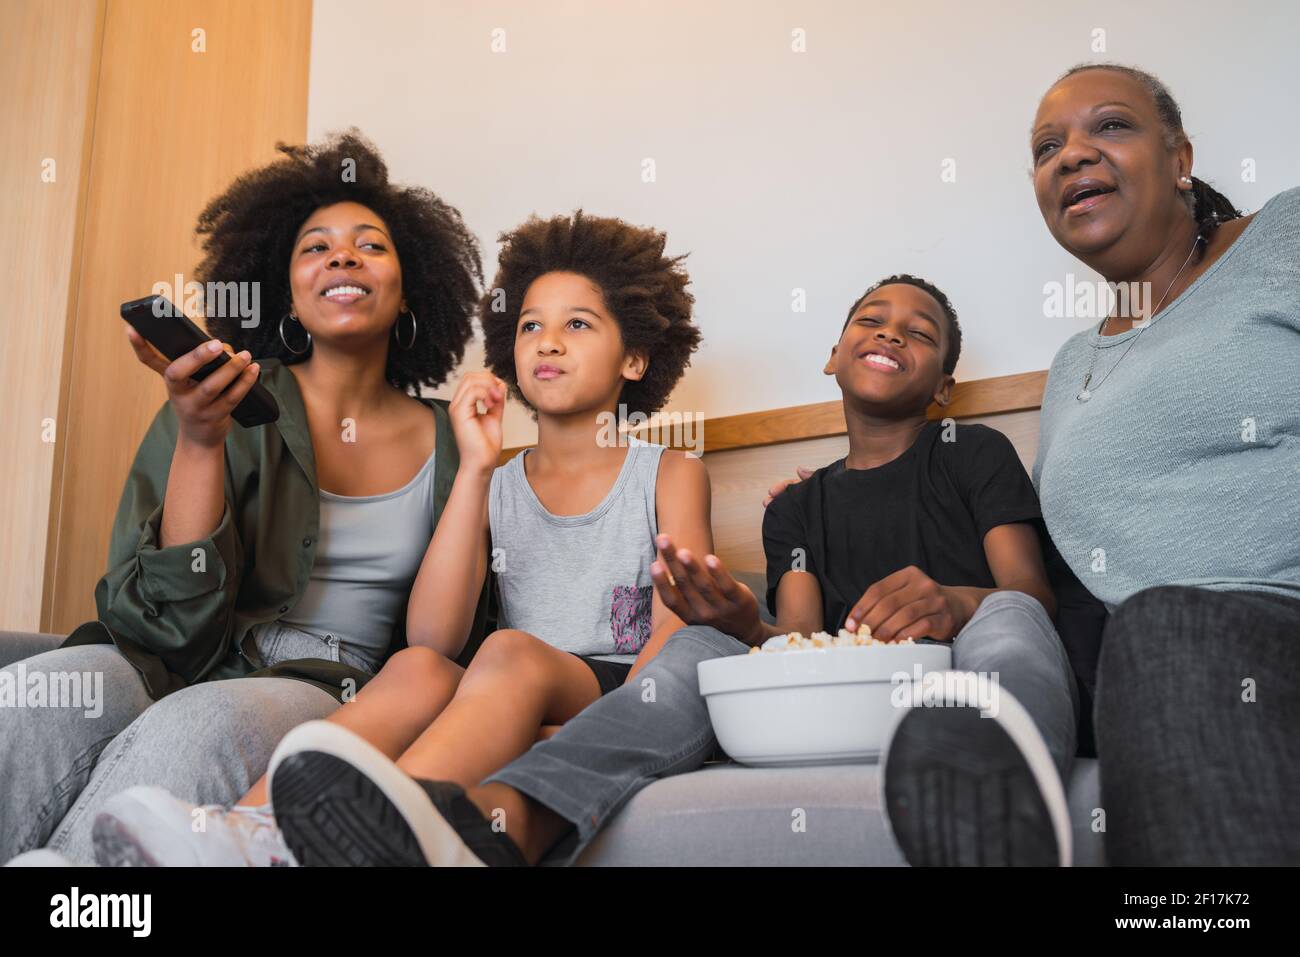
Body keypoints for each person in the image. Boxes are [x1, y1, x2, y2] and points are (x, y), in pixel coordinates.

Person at [268, 274, 1082, 867]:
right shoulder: (795, 509)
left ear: (945, 385)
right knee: (705, 650)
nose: (890, 332)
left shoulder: (971, 450)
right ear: (832, 355)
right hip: (835, 694)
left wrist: (955, 598)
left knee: (1011, 616)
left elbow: (1030, 593)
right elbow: (790, 644)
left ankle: (995, 787)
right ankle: (473, 826)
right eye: (869, 319)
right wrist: (737, 621)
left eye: (919, 331)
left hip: (957, 676)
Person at [109, 210, 712, 867]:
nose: (548, 341)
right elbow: (433, 636)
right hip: (502, 684)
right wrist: (477, 467)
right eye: (532, 325)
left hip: (617, 686)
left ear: (635, 357)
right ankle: (252, 833)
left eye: (578, 324)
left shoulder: (669, 472)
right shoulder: (493, 481)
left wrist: (596, 735)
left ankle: (404, 817)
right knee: (419, 666)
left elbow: (674, 640)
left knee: (511, 652)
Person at [1, 130, 493, 865]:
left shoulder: (455, 438)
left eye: (371, 244)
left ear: (410, 286)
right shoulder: (220, 396)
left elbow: (442, 647)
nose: (342, 256)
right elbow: (164, 632)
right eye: (314, 247)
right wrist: (200, 438)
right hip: (171, 658)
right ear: (286, 289)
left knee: (207, 721)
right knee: (44, 691)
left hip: (329, 684)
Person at [1028, 63, 1300, 865]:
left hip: (1269, 617)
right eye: (1047, 147)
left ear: (1180, 158)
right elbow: (1068, 567)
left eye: (1109, 126)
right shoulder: (1070, 363)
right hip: (1146, 656)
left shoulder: (1282, 237)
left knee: (1162, 629)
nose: (1072, 154)